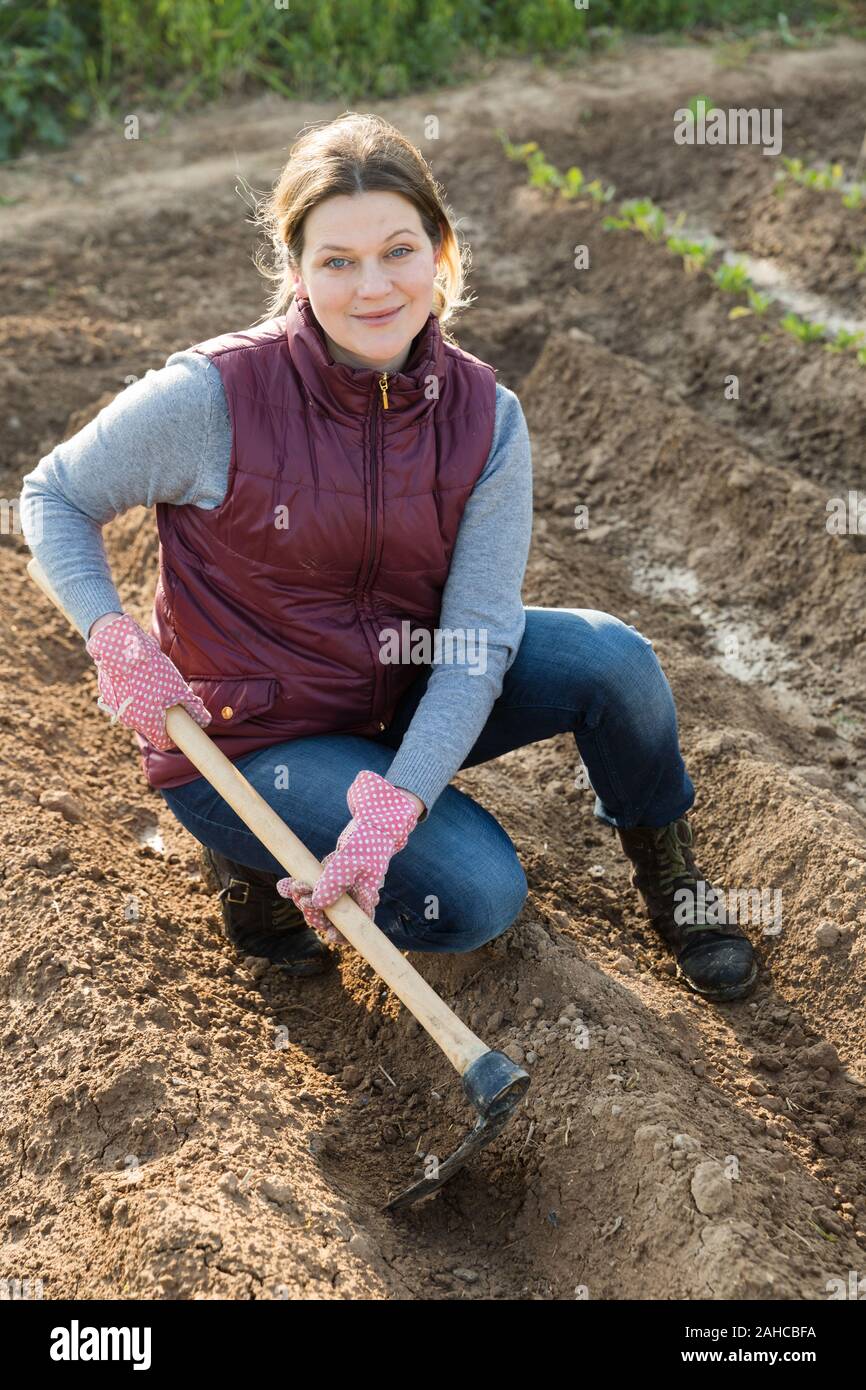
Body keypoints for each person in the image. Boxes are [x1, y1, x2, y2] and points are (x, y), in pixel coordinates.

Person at [19, 112, 757, 1002]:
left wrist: (395, 807)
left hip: (398, 693)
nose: (373, 287)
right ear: (296, 270)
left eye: (398, 251)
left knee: (613, 661)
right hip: (255, 741)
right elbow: (53, 495)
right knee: (477, 899)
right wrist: (112, 636)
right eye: (337, 260)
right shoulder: (214, 397)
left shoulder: (486, 418)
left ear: (440, 255)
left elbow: (477, 640)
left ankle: (670, 873)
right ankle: (251, 862)